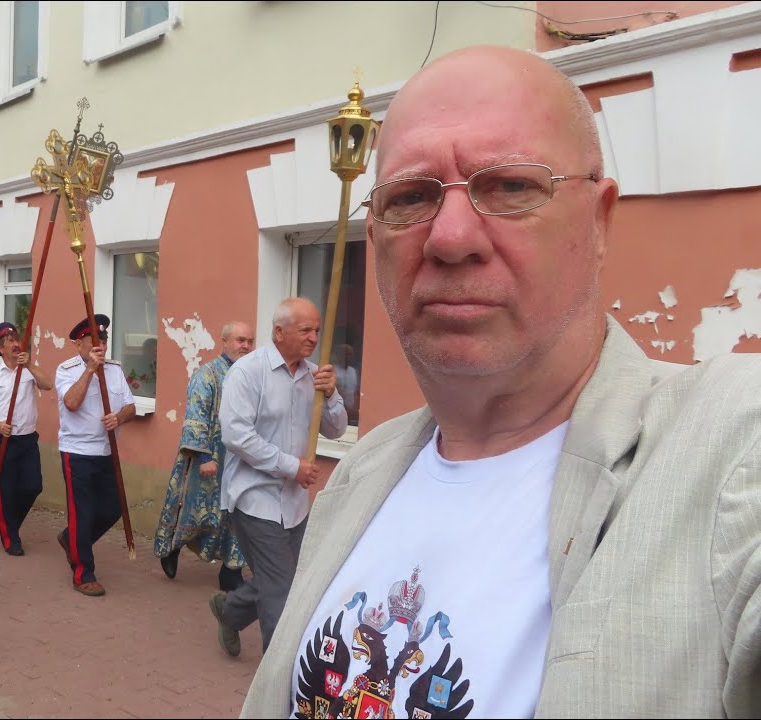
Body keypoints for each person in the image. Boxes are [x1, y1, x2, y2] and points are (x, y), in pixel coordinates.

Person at [243, 47, 761, 720]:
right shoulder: (362, 475)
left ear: (599, 220)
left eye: (511, 187)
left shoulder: (728, 449)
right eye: (410, 198)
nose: (451, 236)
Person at [209, 298, 346, 658]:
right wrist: (291, 466)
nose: (314, 337)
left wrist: (331, 394)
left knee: (285, 580)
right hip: (254, 498)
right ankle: (277, 676)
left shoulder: (314, 376)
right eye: (306, 330)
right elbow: (236, 436)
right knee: (283, 592)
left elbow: (337, 429)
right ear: (279, 332)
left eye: (317, 330)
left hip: (295, 504)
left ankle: (231, 610)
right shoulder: (247, 372)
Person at [154, 321, 255, 592]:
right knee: (197, 514)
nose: (245, 346)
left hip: (242, 460)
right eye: (240, 340)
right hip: (209, 459)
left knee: (237, 516)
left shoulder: (253, 376)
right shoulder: (207, 375)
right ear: (224, 341)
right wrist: (203, 458)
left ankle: (231, 571)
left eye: (249, 341)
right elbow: (195, 418)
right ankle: (172, 548)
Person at [53, 314, 137, 597]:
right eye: (94, 340)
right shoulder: (67, 370)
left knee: (114, 507)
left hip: (106, 451)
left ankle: (72, 540)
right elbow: (72, 403)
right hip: (77, 451)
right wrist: (89, 370)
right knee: (82, 513)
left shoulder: (115, 370)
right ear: (80, 344)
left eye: (104, 339)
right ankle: (83, 573)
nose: (101, 344)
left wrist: (119, 418)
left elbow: (130, 406)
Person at [0, 323, 53, 556]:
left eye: (18, 340)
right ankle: (10, 537)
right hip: (2, 440)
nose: (17, 344)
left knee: (33, 485)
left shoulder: (28, 371)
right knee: (5, 490)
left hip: (28, 439)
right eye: (10, 341)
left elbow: (48, 385)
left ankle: (12, 522)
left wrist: (29, 365)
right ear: (0, 347)